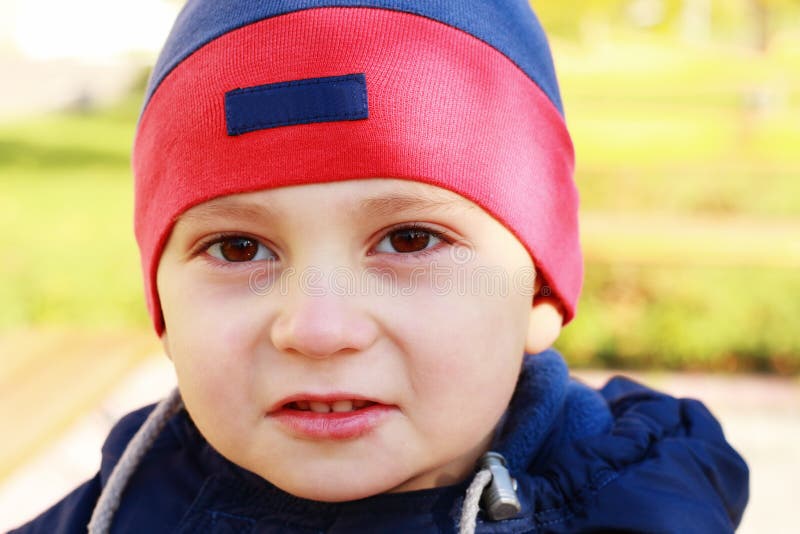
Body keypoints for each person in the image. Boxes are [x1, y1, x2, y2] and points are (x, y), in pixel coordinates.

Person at [12, 1, 749, 532]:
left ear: (539, 292)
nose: (318, 329)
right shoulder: (129, 501)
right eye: (239, 248)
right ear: (165, 312)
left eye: (409, 240)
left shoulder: (639, 508)